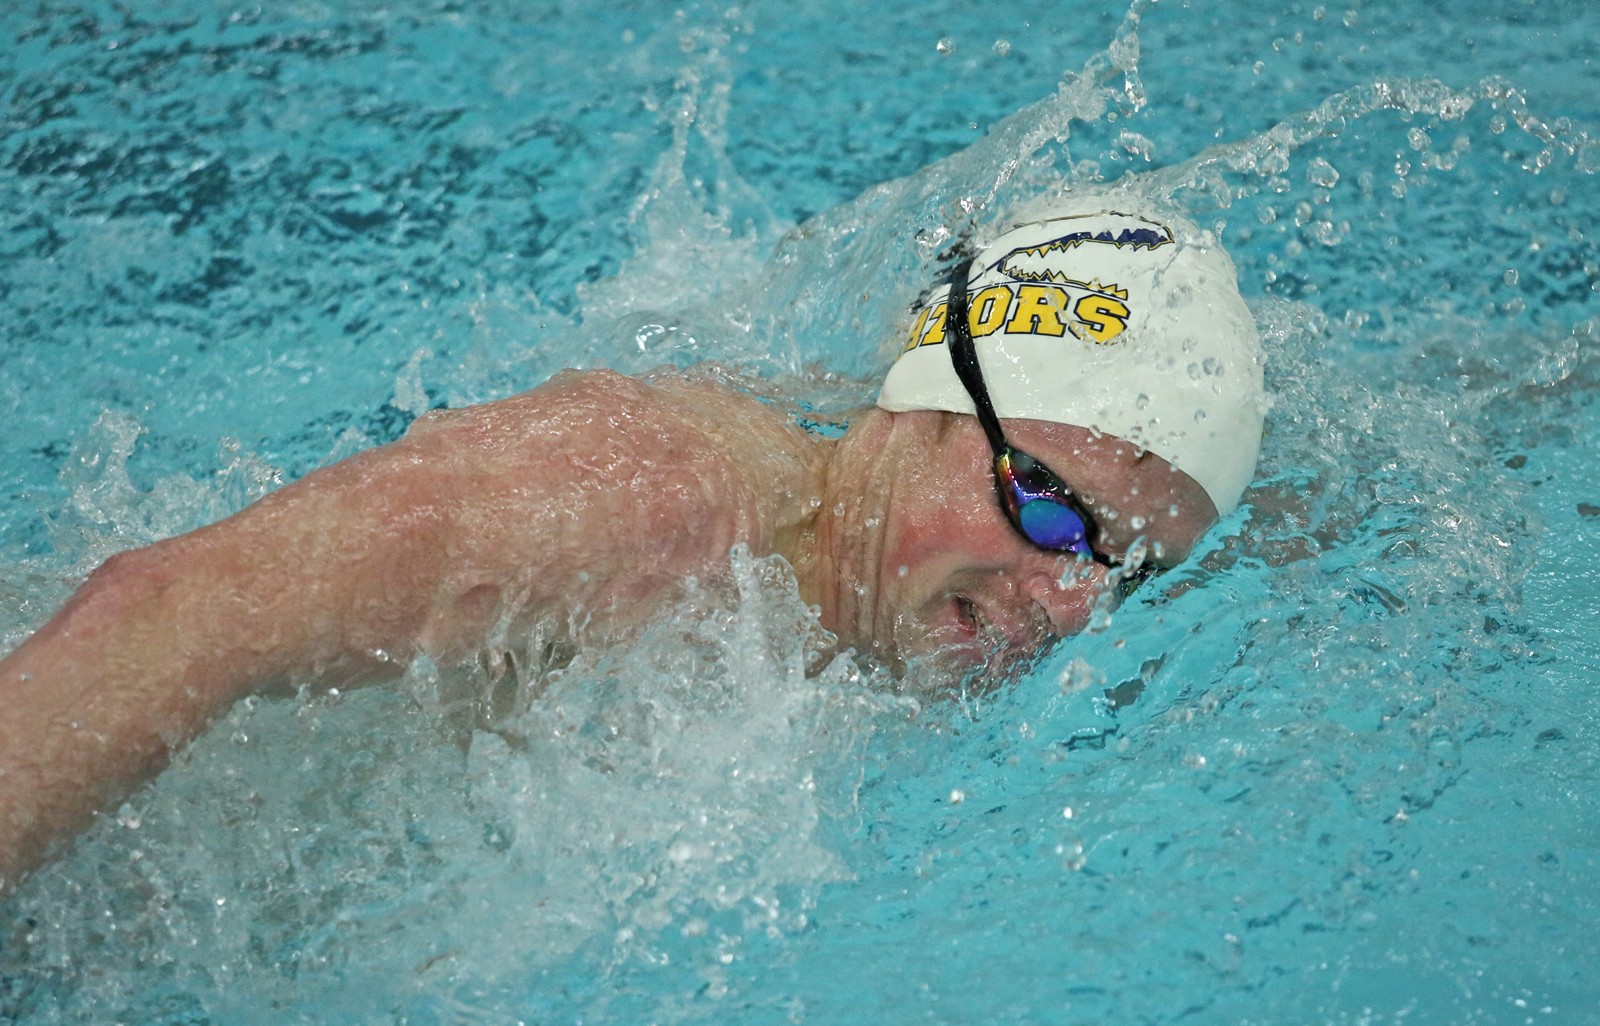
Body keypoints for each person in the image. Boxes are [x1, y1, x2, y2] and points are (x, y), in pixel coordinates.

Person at [0, 194, 1265, 889]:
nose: (1071, 601)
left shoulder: (864, 592)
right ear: (924, 402)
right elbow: (166, 613)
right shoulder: (649, 503)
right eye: (1047, 507)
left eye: (1127, 563)